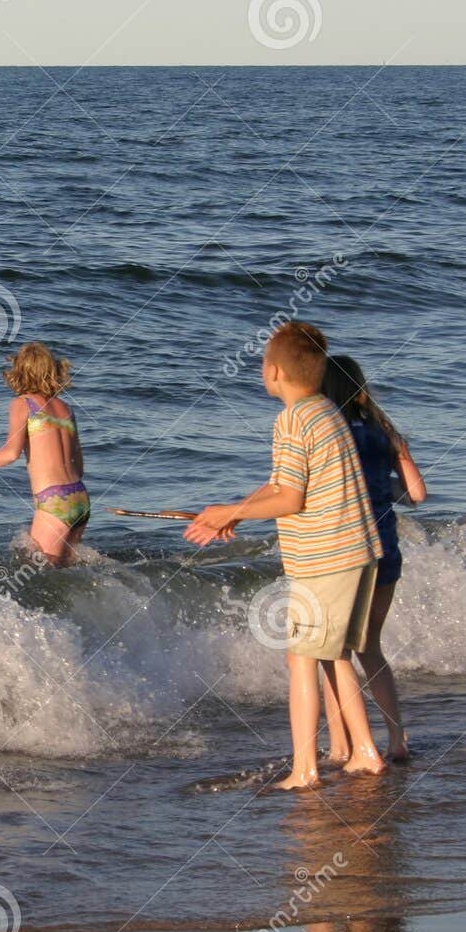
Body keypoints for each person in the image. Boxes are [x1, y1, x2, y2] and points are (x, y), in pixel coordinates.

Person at [184, 322, 385, 790]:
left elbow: (291, 499)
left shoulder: (292, 420)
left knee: (300, 660)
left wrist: (230, 512)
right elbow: (280, 484)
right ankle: (365, 752)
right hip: (357, 553)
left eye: (262, 364)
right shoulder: (325, 411)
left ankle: (304, 770)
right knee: (335, 657)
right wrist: (238, 511)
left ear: (274, 371)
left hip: (325, 559)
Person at [316, 354, 427, 763]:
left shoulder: (330, 430)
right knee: (370, 648)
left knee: (334, 653)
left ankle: (342, 747)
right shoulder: (385, 430)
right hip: (387, 551)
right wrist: (382, 487)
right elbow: (417, 494)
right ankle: (396, 739)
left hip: (347, 553)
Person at [0, 341, 89, 566]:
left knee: (39, 572)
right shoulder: (66, 408)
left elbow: (11, 453)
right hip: (80, 497)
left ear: (20, 371)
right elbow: (79, 467)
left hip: (54, 501)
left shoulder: (23, 404)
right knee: (67, 570)